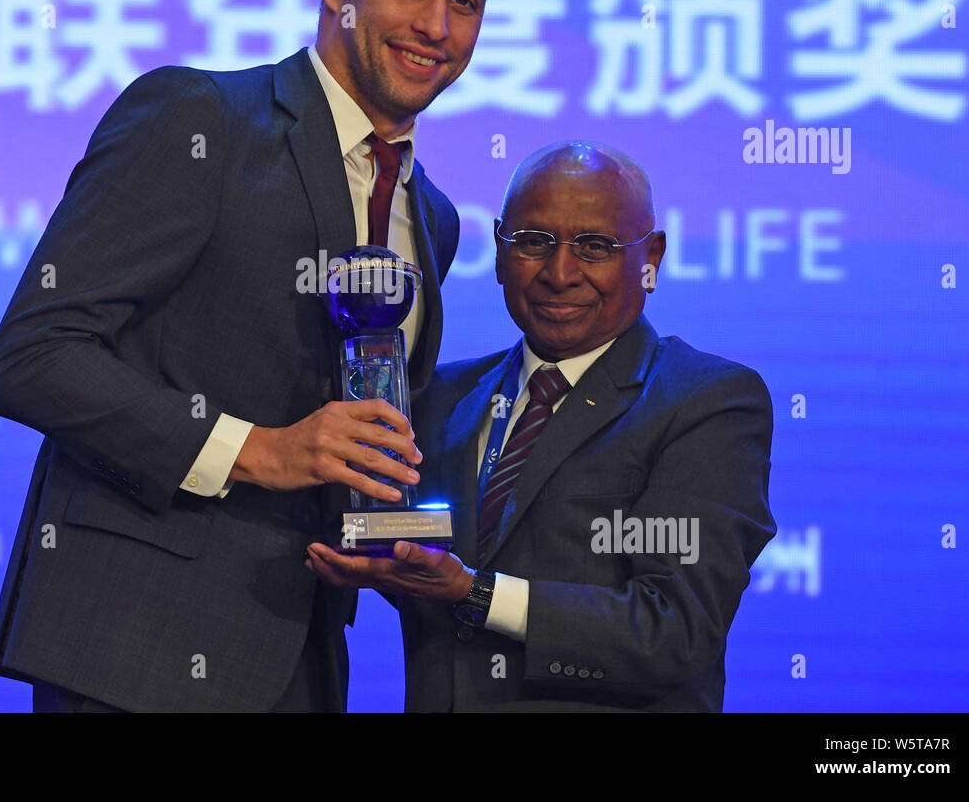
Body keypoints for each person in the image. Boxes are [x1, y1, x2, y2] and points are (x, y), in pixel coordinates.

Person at [0, 0, 504, 712]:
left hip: (302, 660)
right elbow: (33, 357)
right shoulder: (202, 121)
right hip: (135, 651)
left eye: (466, 0)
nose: (435, 24)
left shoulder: (431, 216)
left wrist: (377, 535)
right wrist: (262, 450)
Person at [307, 141, 776, 711]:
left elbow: (672, 629)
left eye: (595, 247)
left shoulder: (706, 401)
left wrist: (477, 593)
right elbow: (409, 557)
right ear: (501, 252)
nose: (560, 273)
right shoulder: (439, 399)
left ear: (650, 257)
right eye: (533, 242)